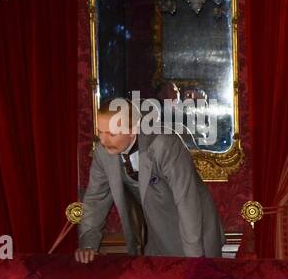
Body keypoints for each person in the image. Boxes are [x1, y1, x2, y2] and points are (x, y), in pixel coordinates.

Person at [76, 101, 225, 261]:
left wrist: (194, 260)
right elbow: (95, 199)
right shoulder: (102, 152)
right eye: (100, 132)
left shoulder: (164, 144)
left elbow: (187, 201)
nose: (103, 141)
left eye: (111, 134)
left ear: (132, 130)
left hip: (198, 232)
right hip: (158, 235)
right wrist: (88, 244)